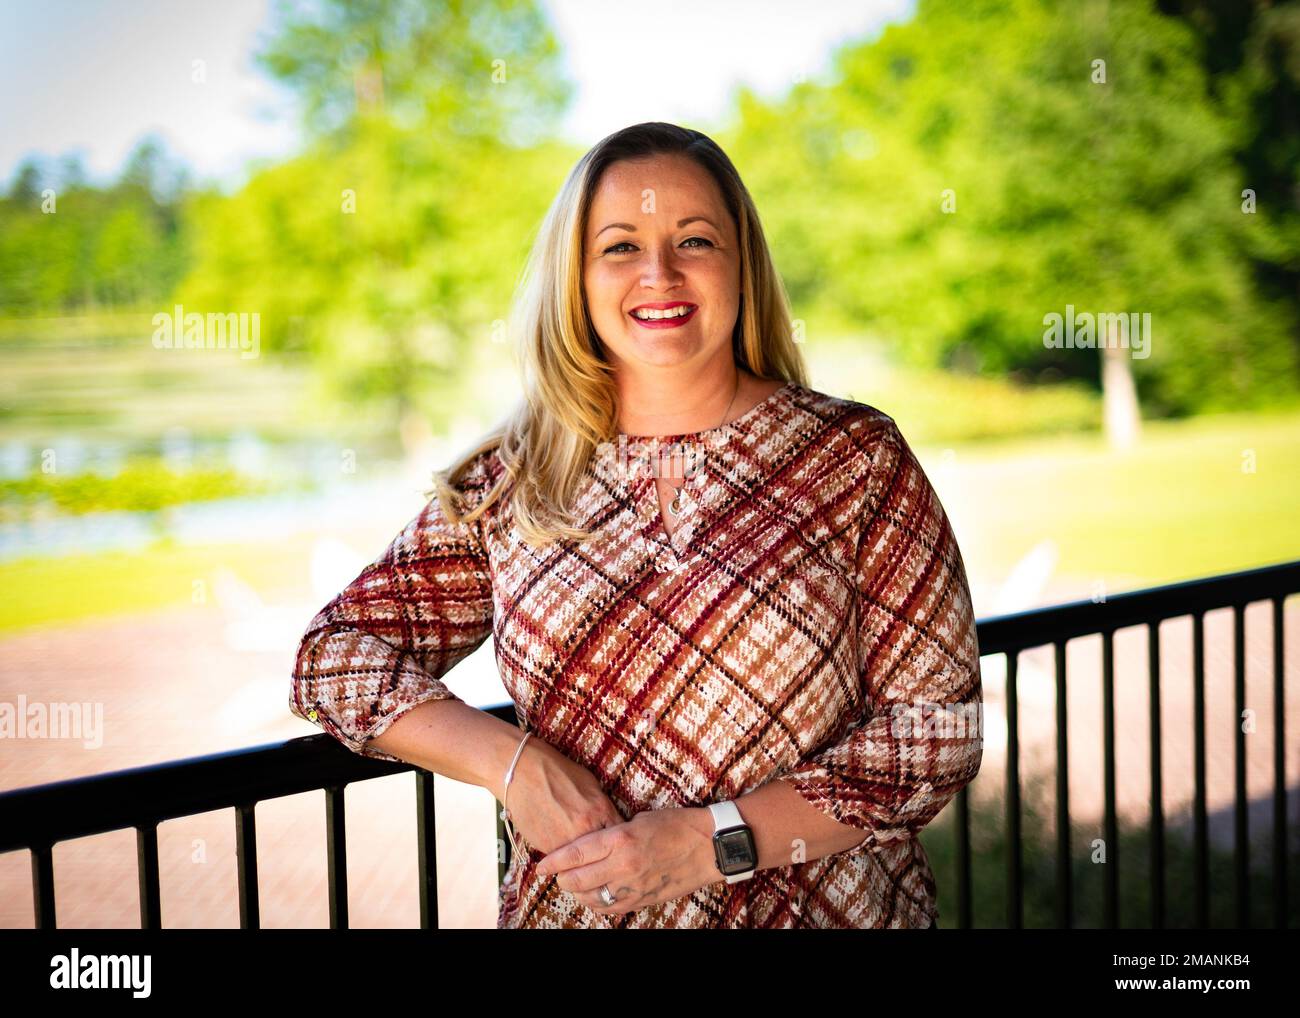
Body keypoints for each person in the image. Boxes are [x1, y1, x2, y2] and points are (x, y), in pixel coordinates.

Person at [289, 122, 983, 929]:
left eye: (695, 240)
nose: (660, 273)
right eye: (619, 247)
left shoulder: (853, 459)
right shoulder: (515, 478)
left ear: (742, 265)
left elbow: (937, 732)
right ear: (575, 278)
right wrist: (513, 765)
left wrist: (712, 841)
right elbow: (334, 658)